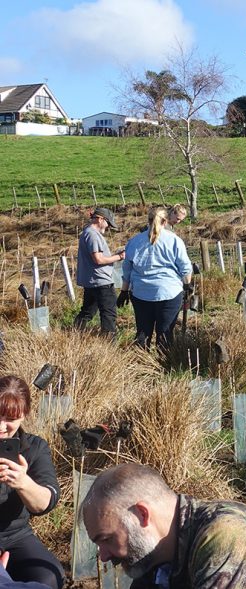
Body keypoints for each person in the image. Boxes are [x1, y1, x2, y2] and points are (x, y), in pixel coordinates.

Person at [82, 464, 246, 588]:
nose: (103, 556)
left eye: (106, 538)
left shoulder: (228, 535)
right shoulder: (155, 560)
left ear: (142, 515)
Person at [0, 377, 62, 589]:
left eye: (10, 418)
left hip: (15, 536)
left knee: (50, 577)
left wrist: (23, 482)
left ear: (24, 415)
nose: (1, 426)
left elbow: (47, 501)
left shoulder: (34, 447)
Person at [121, 207, 192, 351]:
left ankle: (140, 364)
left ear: (148, 220)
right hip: (168, 292)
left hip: (141, 293)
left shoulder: (134, 241)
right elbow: (185, 267)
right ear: (165, 221)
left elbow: (127, 269)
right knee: (165, 332)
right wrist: (187, 285)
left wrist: (124, 291)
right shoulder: (174, 240)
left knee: (143, 331)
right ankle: (163, 366)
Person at [74, 207, 124, 337]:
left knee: (87, 312)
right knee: (108, 314)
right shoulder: (93, 234)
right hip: (101, 282)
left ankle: (74, 335)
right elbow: (98, 259)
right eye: (108, 223)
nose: (107, 227)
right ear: (100, 219)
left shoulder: (87, 232)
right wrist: (119, 257)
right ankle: (109, 345)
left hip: (92, 281)